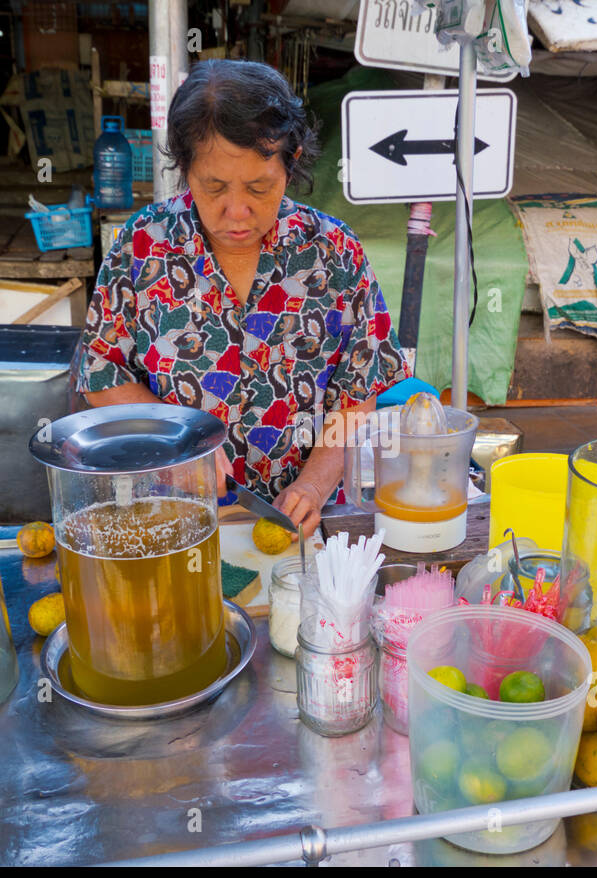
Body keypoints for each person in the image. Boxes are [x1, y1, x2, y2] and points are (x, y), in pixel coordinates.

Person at [72, 59, 409, 534]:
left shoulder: (334, 253)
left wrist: (313, 485)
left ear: (289, 167)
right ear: (185, 168)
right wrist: (182, 447)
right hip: (172, 515)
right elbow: (100, 373)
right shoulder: (142, 246)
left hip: (300, 526)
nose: (237, 211)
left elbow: (356, 397)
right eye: (214, 187)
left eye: (259, 187)